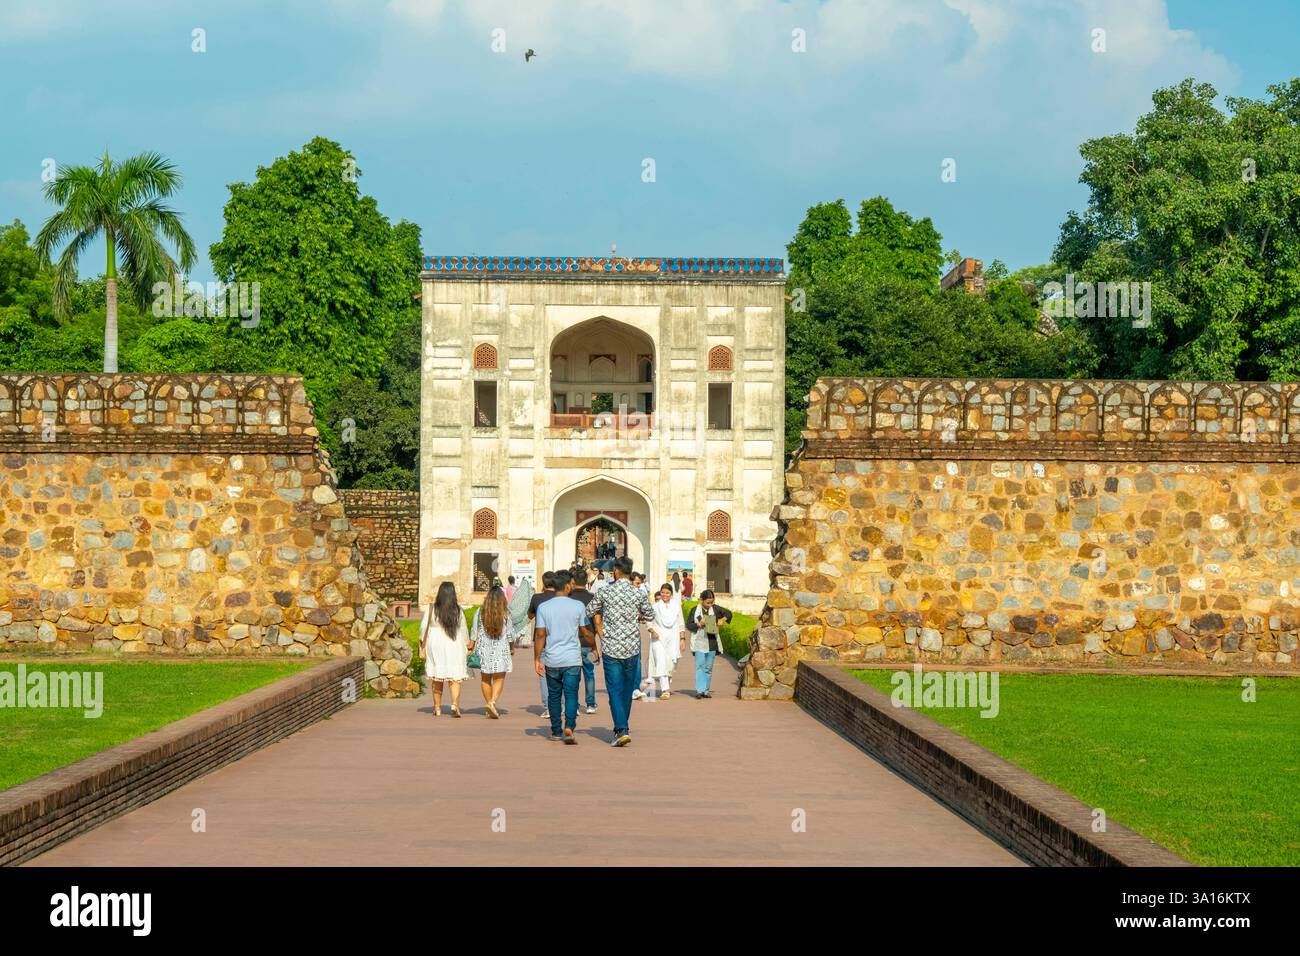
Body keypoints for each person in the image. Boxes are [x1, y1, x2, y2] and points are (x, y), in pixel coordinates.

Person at [585, 556, 654, 747]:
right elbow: (650, 614)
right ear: (630, 572)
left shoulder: (606, 591)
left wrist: (605, 614)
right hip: (631, 647)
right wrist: (636, 615)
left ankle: (621, 728)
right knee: (626, 689)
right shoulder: (638, 593)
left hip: (611, 647)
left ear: (616, 571)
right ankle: (622, 727)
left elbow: (590, 611)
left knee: (614, 689)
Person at [533, 576, 593, 744]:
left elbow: (540, 634)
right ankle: (570, 726)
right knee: (571, 694)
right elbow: (586, 632)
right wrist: (594, 647)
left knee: (554, 695)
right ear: (567, 586)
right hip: (572, 658)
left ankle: (556, 730)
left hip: (552, 658)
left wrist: (537, 658)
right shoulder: (578, 606)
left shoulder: (544, 607)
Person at [421, 581, 470, 717]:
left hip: (436, 644)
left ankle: (437, 708)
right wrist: (467, 644)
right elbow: (463, 629)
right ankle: (454, 704)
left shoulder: (432, 609)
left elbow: (424, 628)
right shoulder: (458, 610)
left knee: (437, 676)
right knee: (454, 678)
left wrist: (422, 643)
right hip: (454, 643)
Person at [469, 584, 514, 718]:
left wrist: (471, 645)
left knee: (485, 678)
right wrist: (512, 648)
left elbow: (474, 632)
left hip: (484, 649)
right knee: (499, 678)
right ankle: (492, 702)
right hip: (500, 649)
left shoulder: (480, 612)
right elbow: (510, 634)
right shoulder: (505, 613)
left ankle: (489, 703)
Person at [685, 589, 732, 699]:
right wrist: (698, 624)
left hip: (712, 642)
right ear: (701, 600)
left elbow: (729, 613)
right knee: (700, 666)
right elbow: (689, 626)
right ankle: (699, 690)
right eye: (708, 602)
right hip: (699, 642)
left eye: (712, 602)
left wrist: (723, 619)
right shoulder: (694, 610)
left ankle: (706, 690)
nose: (710, 605)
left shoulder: (715, 609)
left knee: (708, 668)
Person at [528, 571, 560, 717]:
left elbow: (530, 615)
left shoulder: (537, 598)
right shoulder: (561, 598)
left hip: (542, 642)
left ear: (543, 583)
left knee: (543, 674)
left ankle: (548, 707)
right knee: (562, 674)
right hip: (559, 639)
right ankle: (563, 704)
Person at [568, 568, 599, 715]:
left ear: (573, 582)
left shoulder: (568, 598)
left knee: (573, 675)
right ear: (587, 581)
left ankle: (573, 705)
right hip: (588, 641)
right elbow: (597, 622)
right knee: (589, 673)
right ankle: (591, 704)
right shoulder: (593, 597)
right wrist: (597, 644)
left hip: (571, 643)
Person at [647, 584, 685, 699]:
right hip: (658, 638)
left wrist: (682, 639)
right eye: (663, 592)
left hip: (673, 638)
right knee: (661, 661)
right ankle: (665, 690)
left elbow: (681, 623)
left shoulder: (676, 606)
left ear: (671, 594)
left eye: (667, 593)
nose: (665, 595)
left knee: (670, 664)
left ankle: (666, 681)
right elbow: (649, 622)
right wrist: (652, 631)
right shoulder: (655, 607)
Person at [629, 572, 652, 699]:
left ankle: (635, 688)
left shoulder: (639, 595)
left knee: (637, 661)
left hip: (634, 633)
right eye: (637, 583)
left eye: (640, 583)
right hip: (623, 635)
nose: (639, 586)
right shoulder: (624, 596)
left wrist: (641, 617)